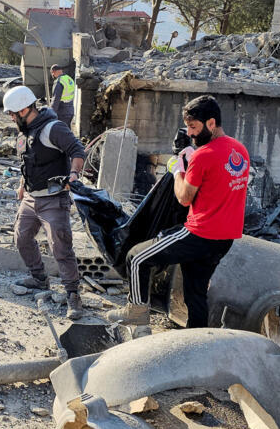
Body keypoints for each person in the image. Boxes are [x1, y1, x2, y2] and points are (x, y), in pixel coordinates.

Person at [107, 95, 249, 329]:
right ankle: (197, 338)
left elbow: (183, 198)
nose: (191, 134)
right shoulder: (240, 150)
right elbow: (217, 183)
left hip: (200, 233)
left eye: (194, 127)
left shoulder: (203, 156)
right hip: (225, 238)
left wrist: (177, 169)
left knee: (136, 257)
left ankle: (137, 313)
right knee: (195, 292)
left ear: (211, 123)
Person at [3, 85, 86, 319]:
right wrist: (22, 185)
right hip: (30, 198)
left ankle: (73, 294)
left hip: (53, 199)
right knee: (21, 238)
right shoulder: (24, 132)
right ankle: (39, 278)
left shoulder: (53, 128)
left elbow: (77, 150)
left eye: (12, 113)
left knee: (60, 246)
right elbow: (27, 161)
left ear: (25, 109)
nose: (10, 117)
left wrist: (74, 175)